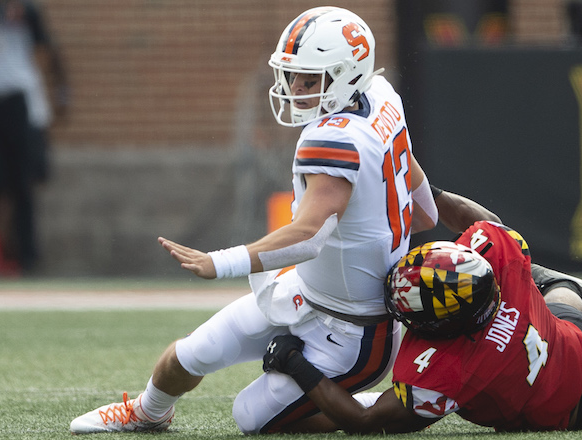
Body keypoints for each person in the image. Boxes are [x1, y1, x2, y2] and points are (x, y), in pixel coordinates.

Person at [69, 6, 476, 435]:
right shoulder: (380, 97)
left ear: (347, 74)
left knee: (252, 417)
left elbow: (309, 235)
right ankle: (149, 412)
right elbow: (417, 193)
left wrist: (221, 262)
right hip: (306, 290)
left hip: (354, 333)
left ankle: (378, 407)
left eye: (309, 79)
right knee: (192, 352)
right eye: (293, 75)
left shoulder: (334, 137)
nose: (294, 88)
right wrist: (422, 211)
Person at [262, 220, 582, 432]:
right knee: (550, 297)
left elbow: (360, 419)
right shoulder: (489, 270)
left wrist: (296, 365)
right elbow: (486, 223)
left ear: (445, 325)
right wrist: (432, 195)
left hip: (580, 399)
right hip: (570, 339)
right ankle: (561, 282)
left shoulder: (447, 367)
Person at [0, 0, 68, 276]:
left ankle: (24, 256)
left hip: (20, 105)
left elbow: (49, 49)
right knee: (4, 187)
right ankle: (9, 252)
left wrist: (63, 91)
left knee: (23, 185)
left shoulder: (27, 13)